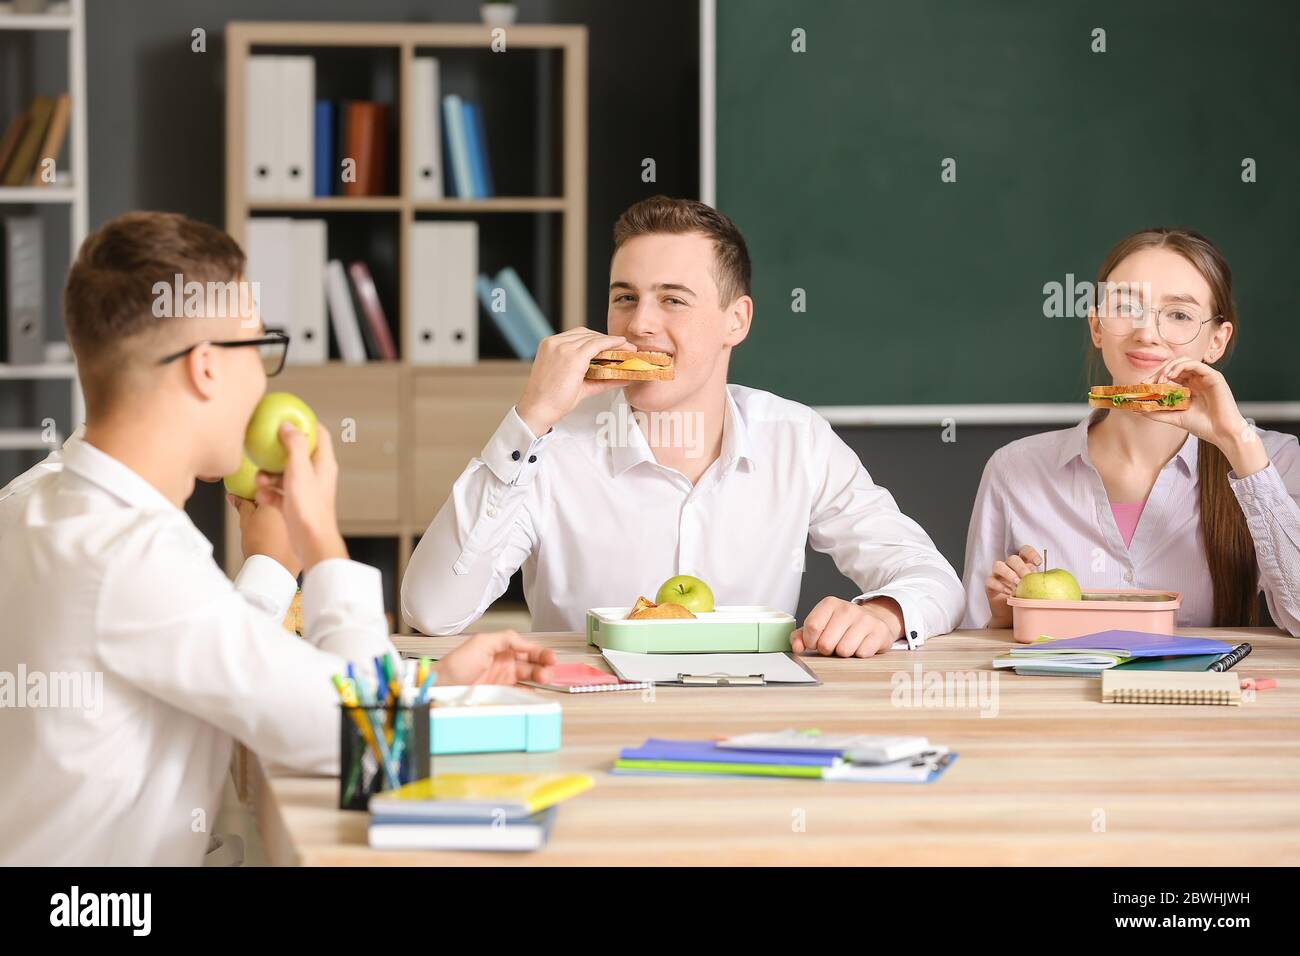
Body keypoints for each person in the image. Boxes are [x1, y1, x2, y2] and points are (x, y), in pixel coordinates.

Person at [0, 212, 554, 865]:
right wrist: (320, 537)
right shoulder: (133, 553)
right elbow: (378, 745)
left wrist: (417, 680)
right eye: (259, 349)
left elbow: (213, 667)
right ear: (205, 369)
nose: (267, 380)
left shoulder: (39, 503)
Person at [403, 196, 964, 655]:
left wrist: (887, 613)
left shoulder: (797, 439)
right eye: (625, 298)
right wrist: (529, 419)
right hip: (587, 723)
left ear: (735, 321)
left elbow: (931, 579)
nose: (639, 324)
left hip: (751, 729)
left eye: (673, 300)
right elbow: (431, 612)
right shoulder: (549, 443)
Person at [961, 227, 1300, 636]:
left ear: (1217, 341)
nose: (1147, 333)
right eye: (1126, 308)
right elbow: (972, 638)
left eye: (1178, 314)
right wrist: (1002, 619)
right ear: (1098, 326)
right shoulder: (1014, 469)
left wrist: (1236, 442)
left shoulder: (1275, 461)